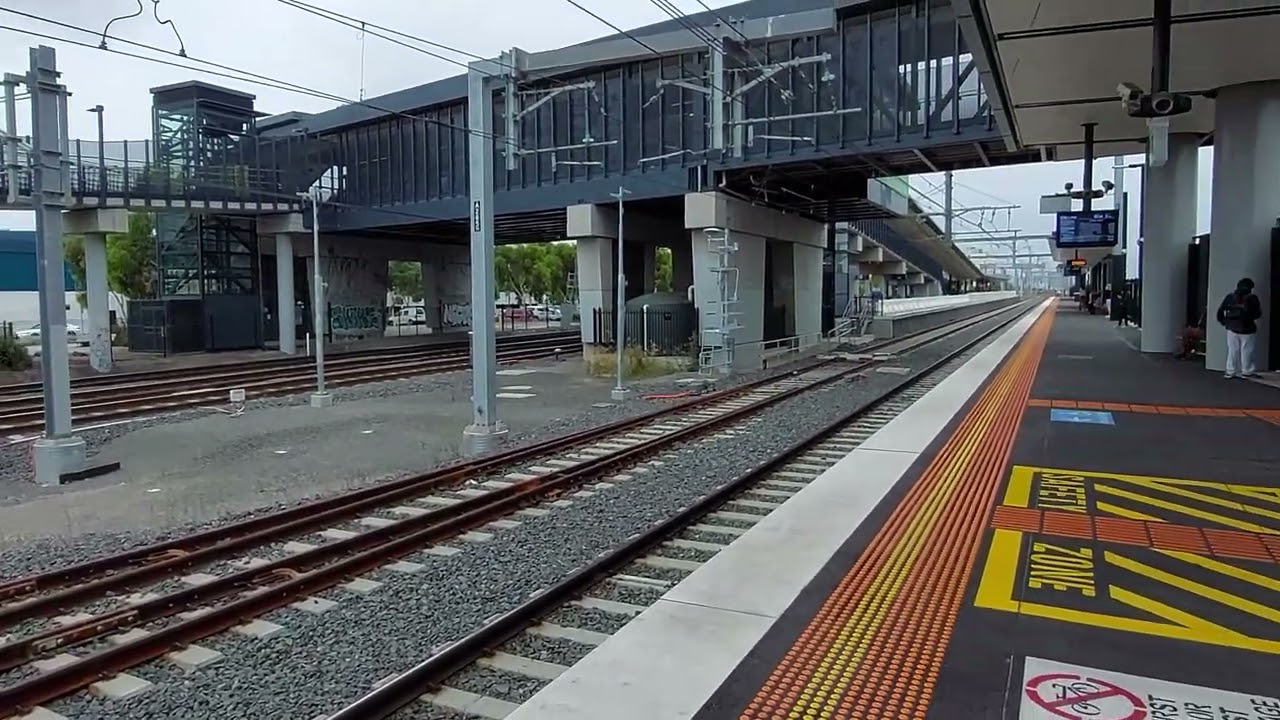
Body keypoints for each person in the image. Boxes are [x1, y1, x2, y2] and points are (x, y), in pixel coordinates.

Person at [1215, 277, 1263, 378]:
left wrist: (1224, 322)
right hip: (1248, 328)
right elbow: (1257, 314)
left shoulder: (1230, 297)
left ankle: (1230, 371)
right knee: (1247, 350)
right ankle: (1247, 370)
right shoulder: (1252, 298)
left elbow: (1220, 311)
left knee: (1232, 350)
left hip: (1232, 327)